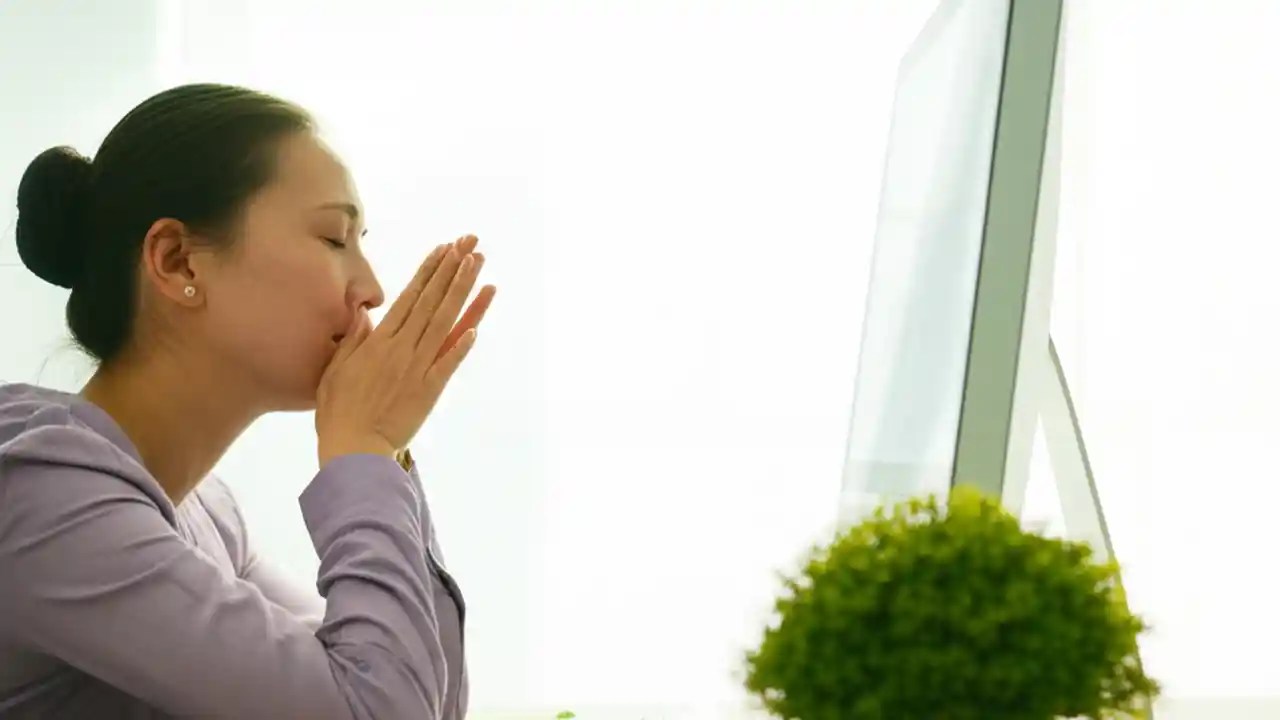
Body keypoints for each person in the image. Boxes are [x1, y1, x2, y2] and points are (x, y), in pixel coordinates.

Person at [0, 83, 496, 719]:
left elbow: (423, 699)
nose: (371, 289)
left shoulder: (207, 514)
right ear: (179, 262)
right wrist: (364, 452)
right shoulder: (46, 499)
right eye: (334, 238)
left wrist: (387, 453)